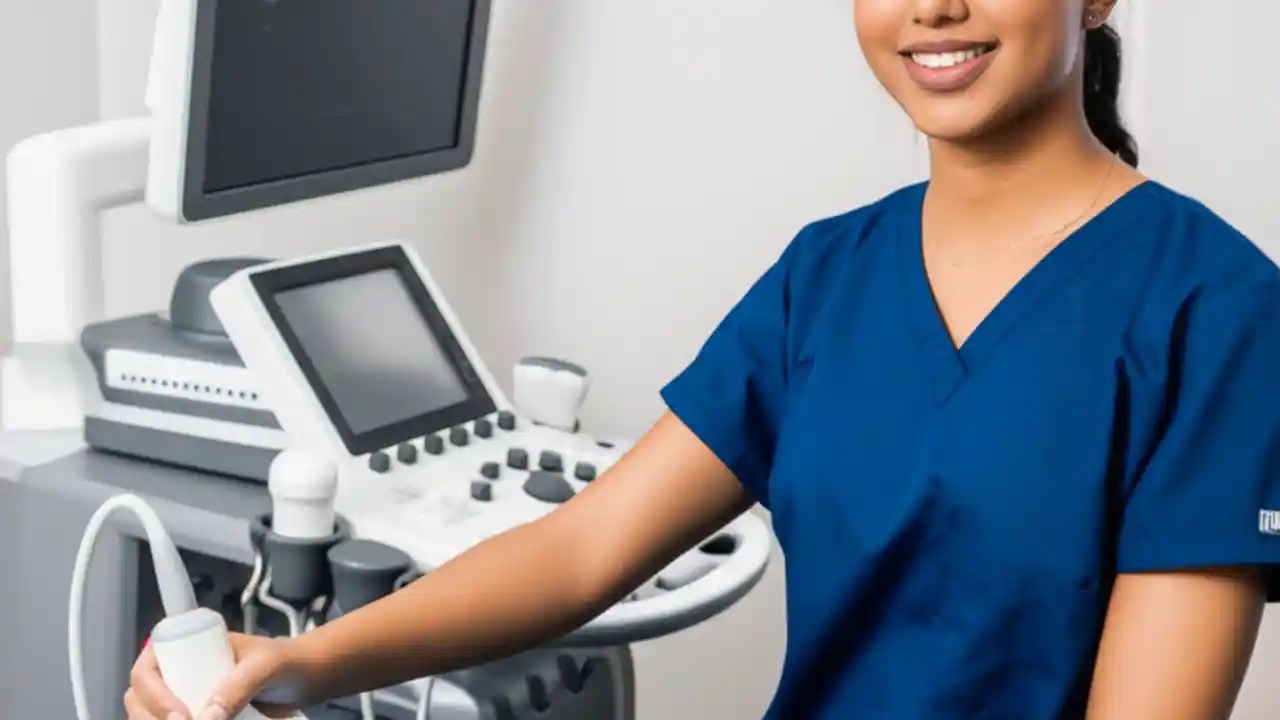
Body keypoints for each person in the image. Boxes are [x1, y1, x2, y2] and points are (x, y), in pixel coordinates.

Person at [127, 1, 1280, 718]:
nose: (933, 7)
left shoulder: (1216, 308)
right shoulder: (825, 275)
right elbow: (583, 550)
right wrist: (290, 666)